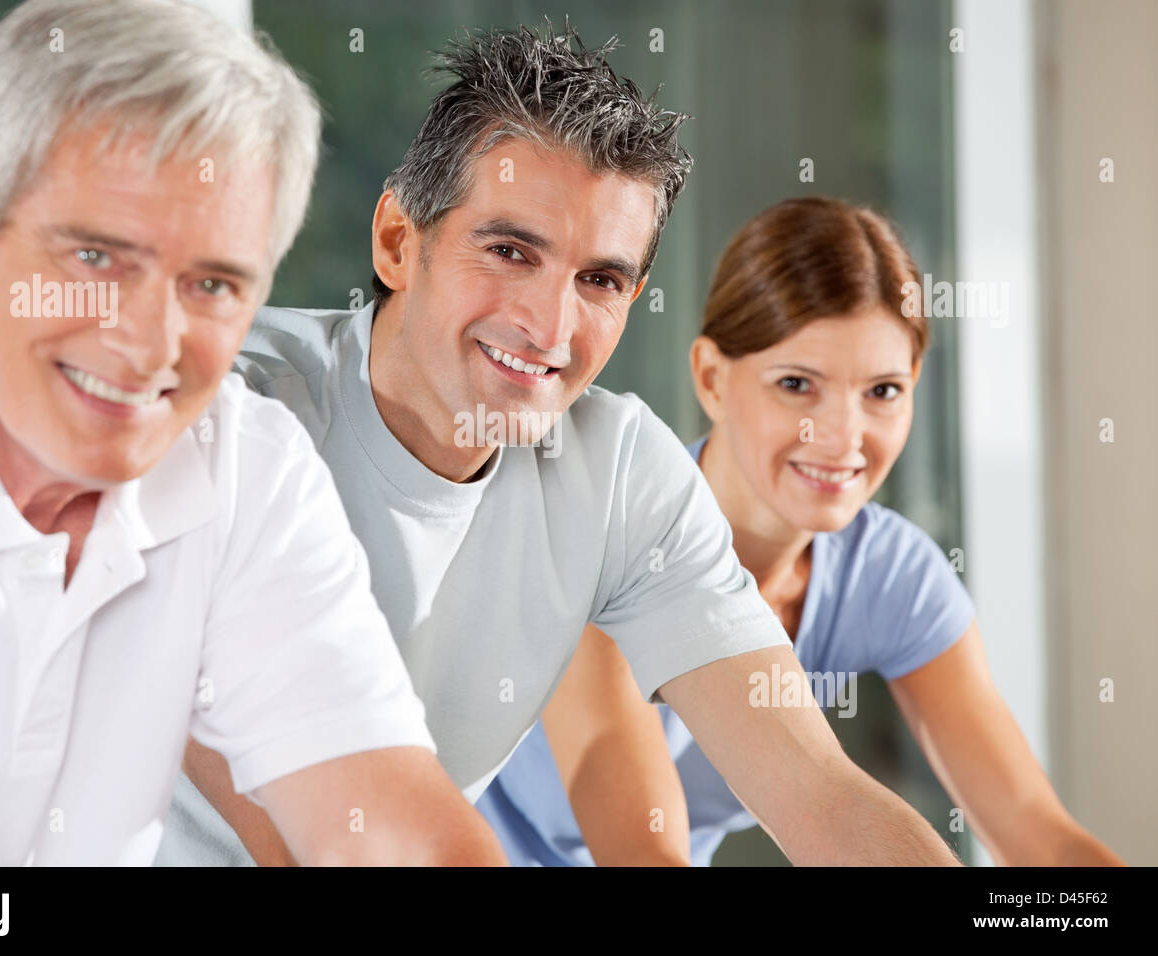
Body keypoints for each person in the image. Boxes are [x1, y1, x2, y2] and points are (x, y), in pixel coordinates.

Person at [159, 26, 960, 867]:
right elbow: (307, 832)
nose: (550, 327)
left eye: (600, 280)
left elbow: (821, 794)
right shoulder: (223, 406)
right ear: (398, 241)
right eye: (510, 252)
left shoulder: (618, 477)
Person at [0, 0, 505, 866]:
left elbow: (397, 836)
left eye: (212, 285)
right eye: (95, 258)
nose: (149, 344)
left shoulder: (243, 465)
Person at [476, 196, 1127, 866]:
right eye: (796, 384)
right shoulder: (616, 538)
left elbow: (1035, 833)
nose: (843, 436)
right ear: (711, 378)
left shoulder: (892, 576)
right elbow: (643, 854)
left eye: (882, 391)